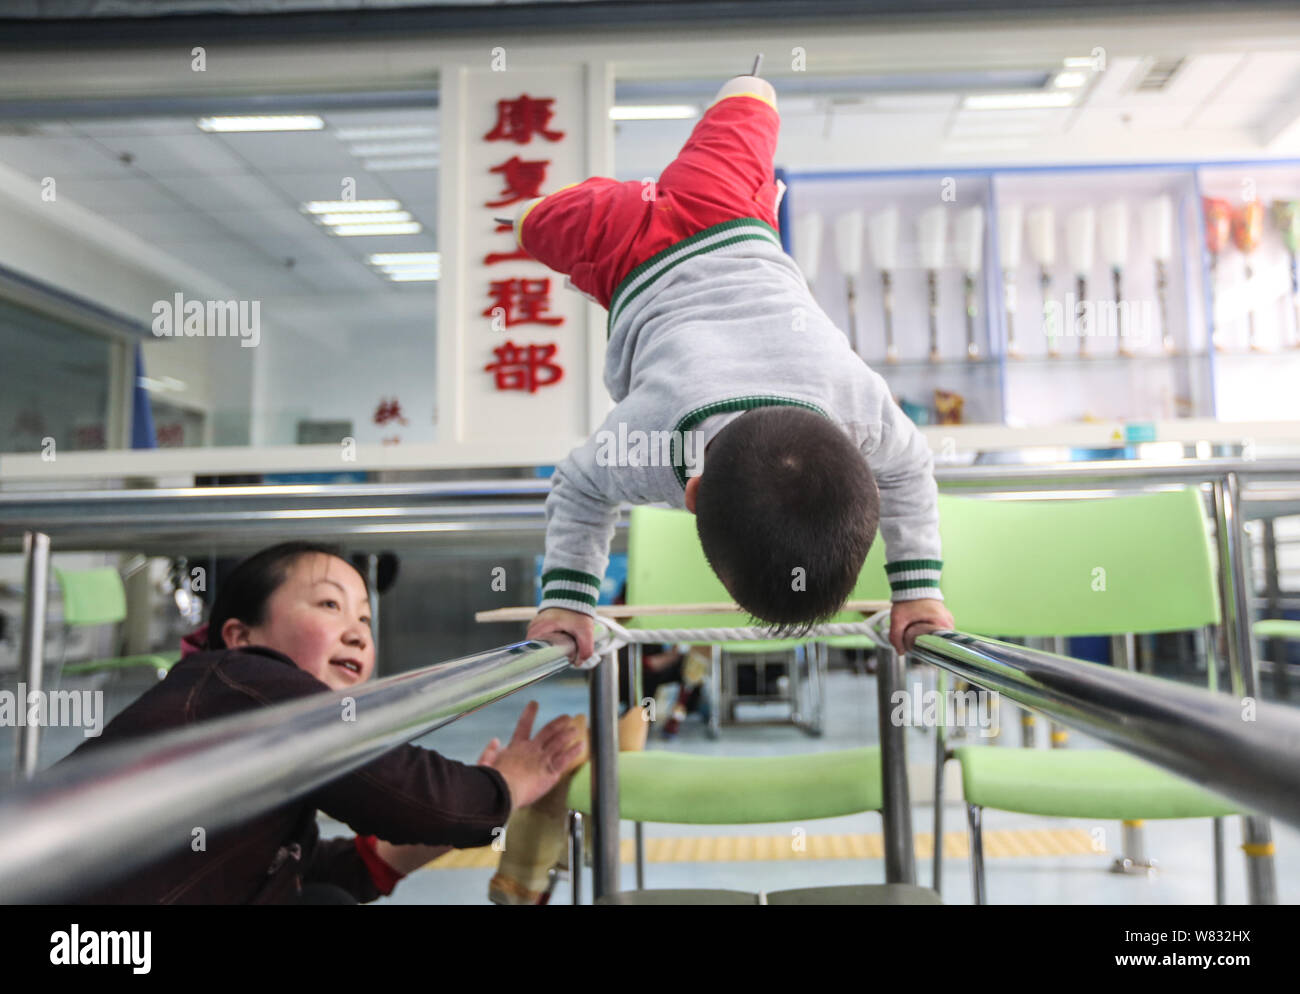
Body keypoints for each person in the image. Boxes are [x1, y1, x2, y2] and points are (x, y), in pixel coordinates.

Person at [517, 67, 955, 663]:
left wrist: (919, 589)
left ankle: (749, 87)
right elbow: (580, 486)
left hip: (732, 211)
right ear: (691, 494)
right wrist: (568, 601)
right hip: (624, 253)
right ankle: (530, 218)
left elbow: (908, 469)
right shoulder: (654, 441)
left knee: (751, 102)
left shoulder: (859, 409)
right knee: (533, 225)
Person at [61, 541, 585, 905]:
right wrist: (501, 786)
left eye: (365, 619)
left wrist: (471, 801)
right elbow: (417, 795)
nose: (357, 634)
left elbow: (298, 869)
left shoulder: (242, 714)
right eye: (330, 605)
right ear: (242, 635)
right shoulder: (243, 677)